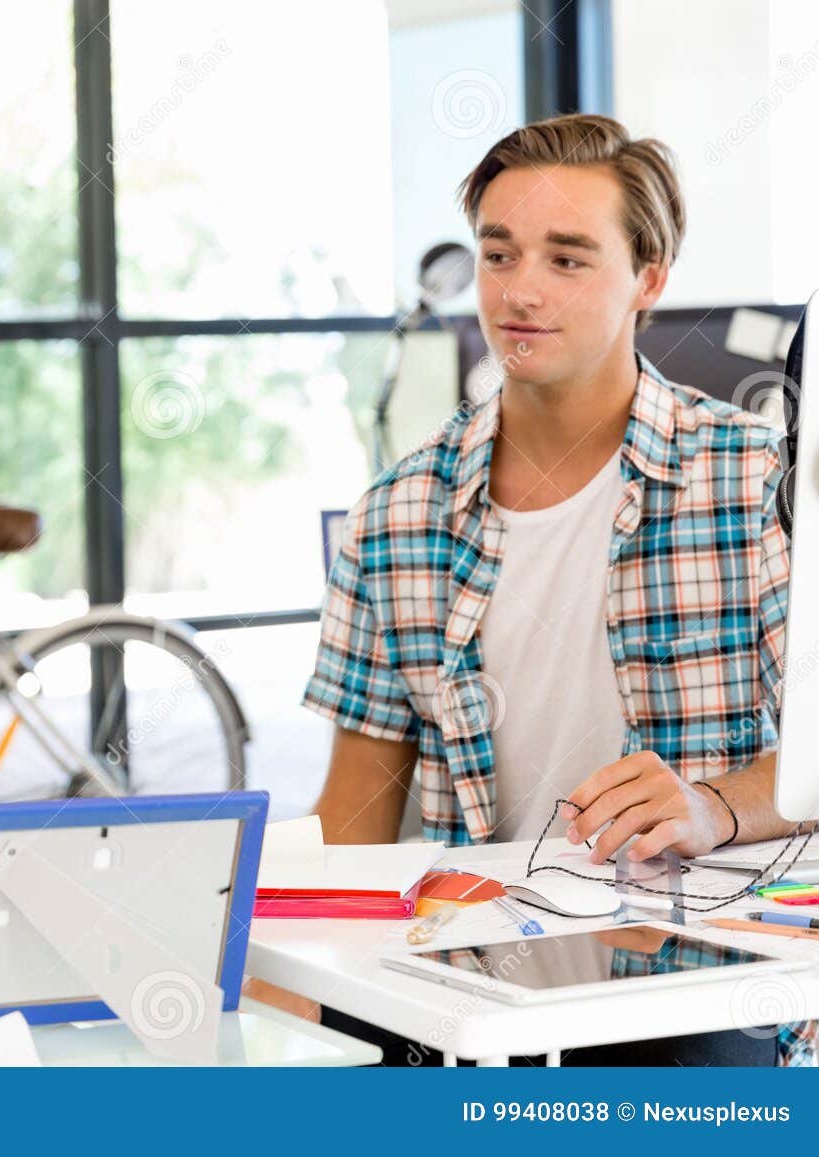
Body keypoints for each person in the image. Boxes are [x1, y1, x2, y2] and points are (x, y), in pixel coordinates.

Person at [302, 113, 812, 1065]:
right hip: (466, 1018)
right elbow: (354, 827)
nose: (521, 291)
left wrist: (712, 805)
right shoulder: (396, 514)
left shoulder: (760, 486)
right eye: (499, 254)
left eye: (569, 259)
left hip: (698, 1011)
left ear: (649, 277)